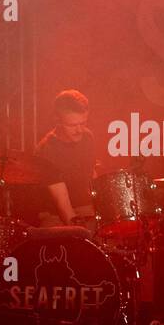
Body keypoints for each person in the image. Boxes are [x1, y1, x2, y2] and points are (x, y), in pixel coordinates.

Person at [33, 90, 98, 228]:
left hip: (86, 208)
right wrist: (82, 233)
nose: (79, 130)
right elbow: (64, 207)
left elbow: (92, 177)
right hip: (55, 216)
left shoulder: (88, 138)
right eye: (73, 125)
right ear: (58, 122)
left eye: (83, 123)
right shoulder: (47, 150)